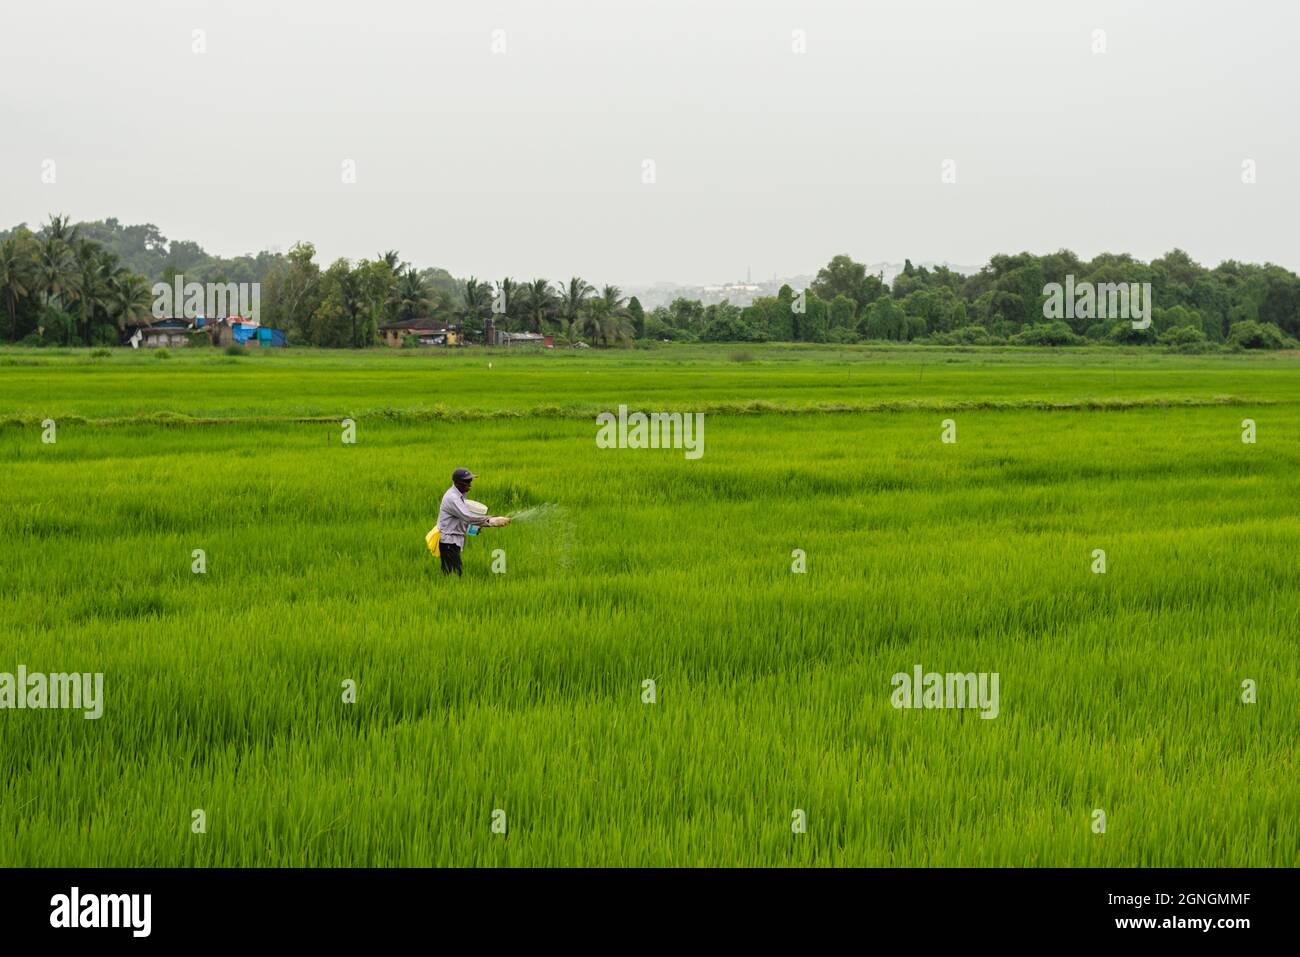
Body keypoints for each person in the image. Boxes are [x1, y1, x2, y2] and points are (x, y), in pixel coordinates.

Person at [437, 467, 510, 576]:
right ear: (457, 483)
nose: (470, 484)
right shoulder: (452, 498)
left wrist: (472, 529)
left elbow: (460, 518)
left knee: (451, 573)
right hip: (449, 542)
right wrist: (491, 520)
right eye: (467, 481)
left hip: (453, 540)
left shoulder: (459, 495)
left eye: (470, 481)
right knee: (455, 574)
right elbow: (468, 517)